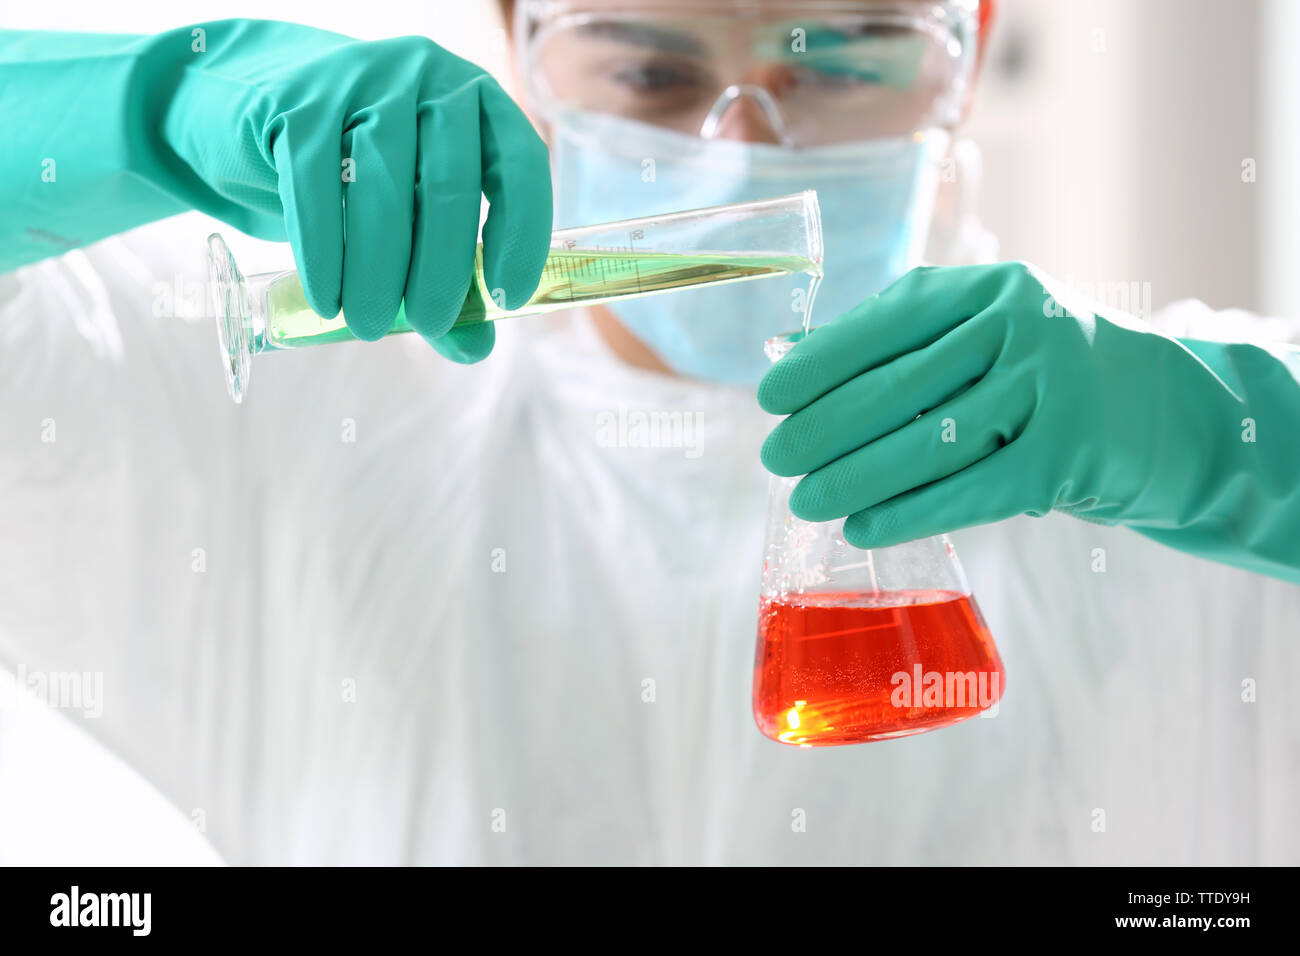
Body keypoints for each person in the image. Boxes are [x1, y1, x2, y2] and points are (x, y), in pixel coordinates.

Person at [0, 1, 1297, 865]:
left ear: (972, 39)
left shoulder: (1141, 410)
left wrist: (1215, 447)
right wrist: (148, 109)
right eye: (655, 71)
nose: (742, 148)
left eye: (837, 53)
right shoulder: (295, 424)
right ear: (524, 46)